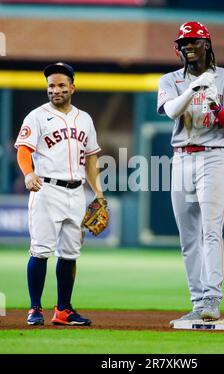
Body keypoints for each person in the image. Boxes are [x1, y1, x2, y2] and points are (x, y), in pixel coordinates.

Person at [157, 22, 224, 324]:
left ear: (207, 44)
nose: (188, 47)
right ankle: (198, 301)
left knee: (211, 229)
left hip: (213, 156)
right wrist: (194, 90)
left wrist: (216, 106)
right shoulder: (170, 80)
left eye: (194, 41)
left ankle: (212, 297)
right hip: (182, 157)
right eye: (184, 43)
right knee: (188, 236)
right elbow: (172, 111)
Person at [15, 62, 107, 326]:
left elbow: (91, 160)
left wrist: (98, 195)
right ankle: (35, 309)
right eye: (51, 85)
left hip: (76, 192)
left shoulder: (84, 119)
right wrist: (28, 173)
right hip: (46, 189)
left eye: (60, 85)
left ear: (72, 88)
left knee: (69, 253)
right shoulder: (37, 116)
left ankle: (63, 311)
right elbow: (23, 149)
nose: (55, 90)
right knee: (41, 250)